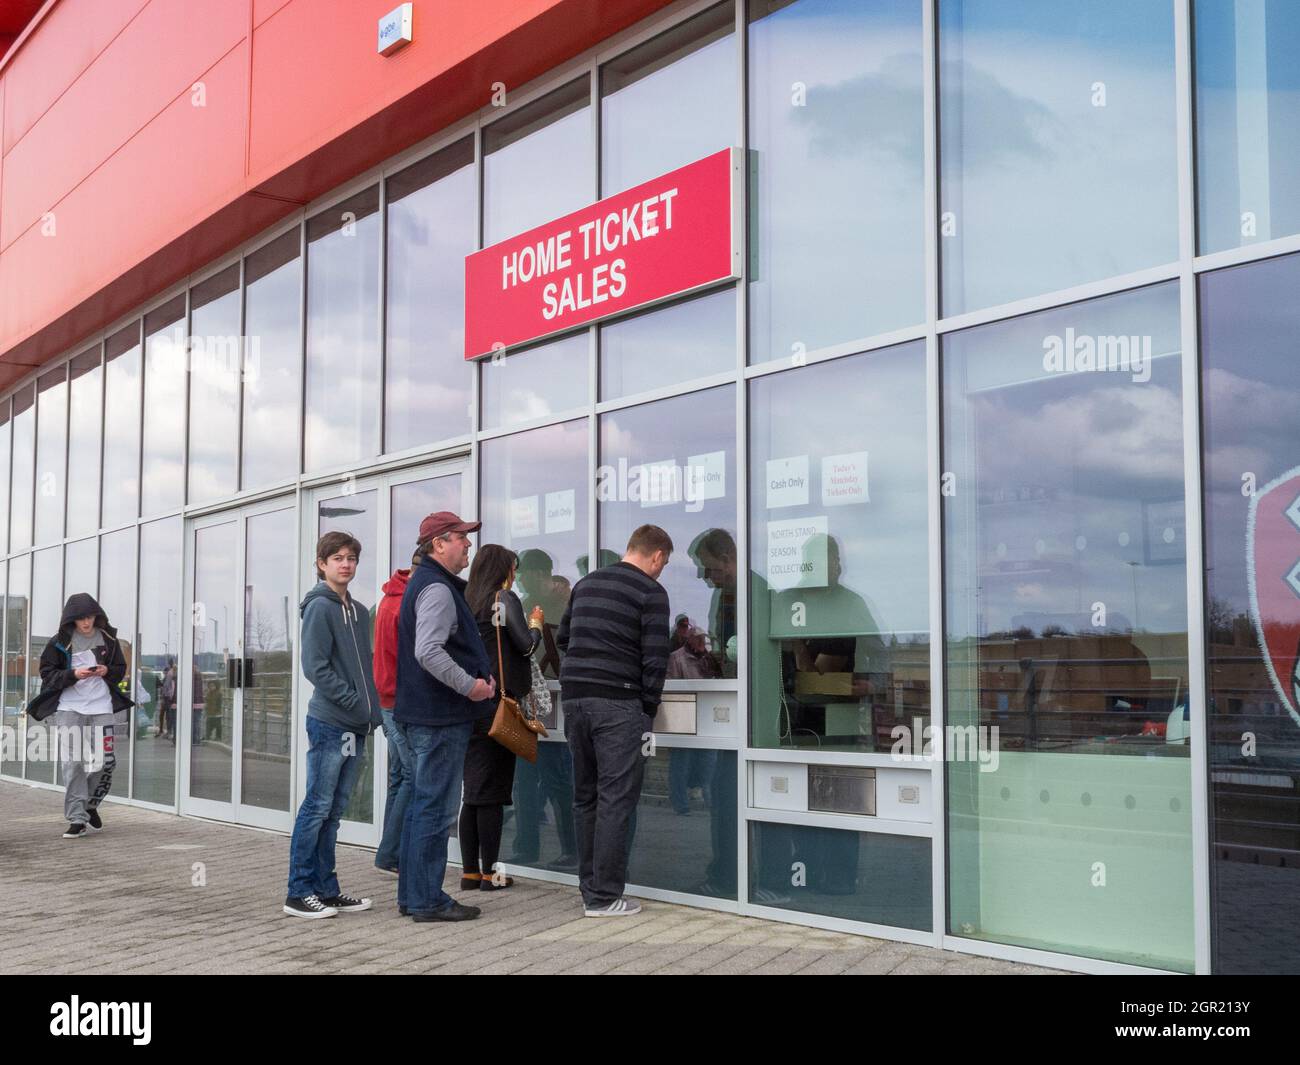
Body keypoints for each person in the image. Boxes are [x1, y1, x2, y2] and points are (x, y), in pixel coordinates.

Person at [558, 523, 672, 917]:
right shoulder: (651, 592)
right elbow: (655, 659)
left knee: (585, 797)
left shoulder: (586, 583)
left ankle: (590, 890)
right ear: (656, 556)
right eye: (664, 563)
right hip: (618, 704)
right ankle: (606, 897)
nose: (661, 570)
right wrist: (648, 712)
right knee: (615, 799)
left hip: (574, 701)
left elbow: (562, 639)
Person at [394, 511, 497, 923]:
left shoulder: (428, 584)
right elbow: (429, 651)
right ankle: (427, 900)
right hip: (439, 718)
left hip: (427, 715)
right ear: (438, 544)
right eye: (461, 538)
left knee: (423, 807)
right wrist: (470, 686)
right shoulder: (436, 589)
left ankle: (414, 896)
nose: (468, 545)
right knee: (435, 811)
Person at [283, 532, 382, 920]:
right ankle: (298, 892)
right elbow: (315, 668)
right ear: (322, 564)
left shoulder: (356, 610)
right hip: (330, 723)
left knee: (335, 810)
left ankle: (326, 889)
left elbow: (365, 666)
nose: (346, 564)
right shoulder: (320, 608)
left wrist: (369, 710)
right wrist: (355, 702)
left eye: (352, 558)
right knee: (317, 806)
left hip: (354, 726)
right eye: (337, 558)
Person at [464, 544, 544, 891]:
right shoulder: (504, 598)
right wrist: (537, 624)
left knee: (473, 793)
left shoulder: (469, 601)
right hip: (500, 706)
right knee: (493, 794)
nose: (515, 574)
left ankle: (470, 873)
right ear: (504, 569)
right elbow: (526, 646)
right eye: (514, 567)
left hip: (471, 705)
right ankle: (490, 875)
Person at [27, 593, 134, 839]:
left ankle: (89, 804)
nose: (86, 622)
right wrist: (74, 674)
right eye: (80, 619)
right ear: (71, 620)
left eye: (89, 617)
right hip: (69, 707)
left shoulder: (109, 640)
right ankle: (77, 817)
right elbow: (47, 674)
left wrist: (108, 670)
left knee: (106, 761)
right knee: (72, 762)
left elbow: (119, 670)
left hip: (101, 706)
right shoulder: (59, 642)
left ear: (97, 616)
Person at [372, 552, 419, 877]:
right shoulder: (405, 603)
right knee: (415, 777)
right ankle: (391, 853)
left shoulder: (388, 599)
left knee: (400, 776)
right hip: (400, 702)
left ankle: (392, 852)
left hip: (387, 700)